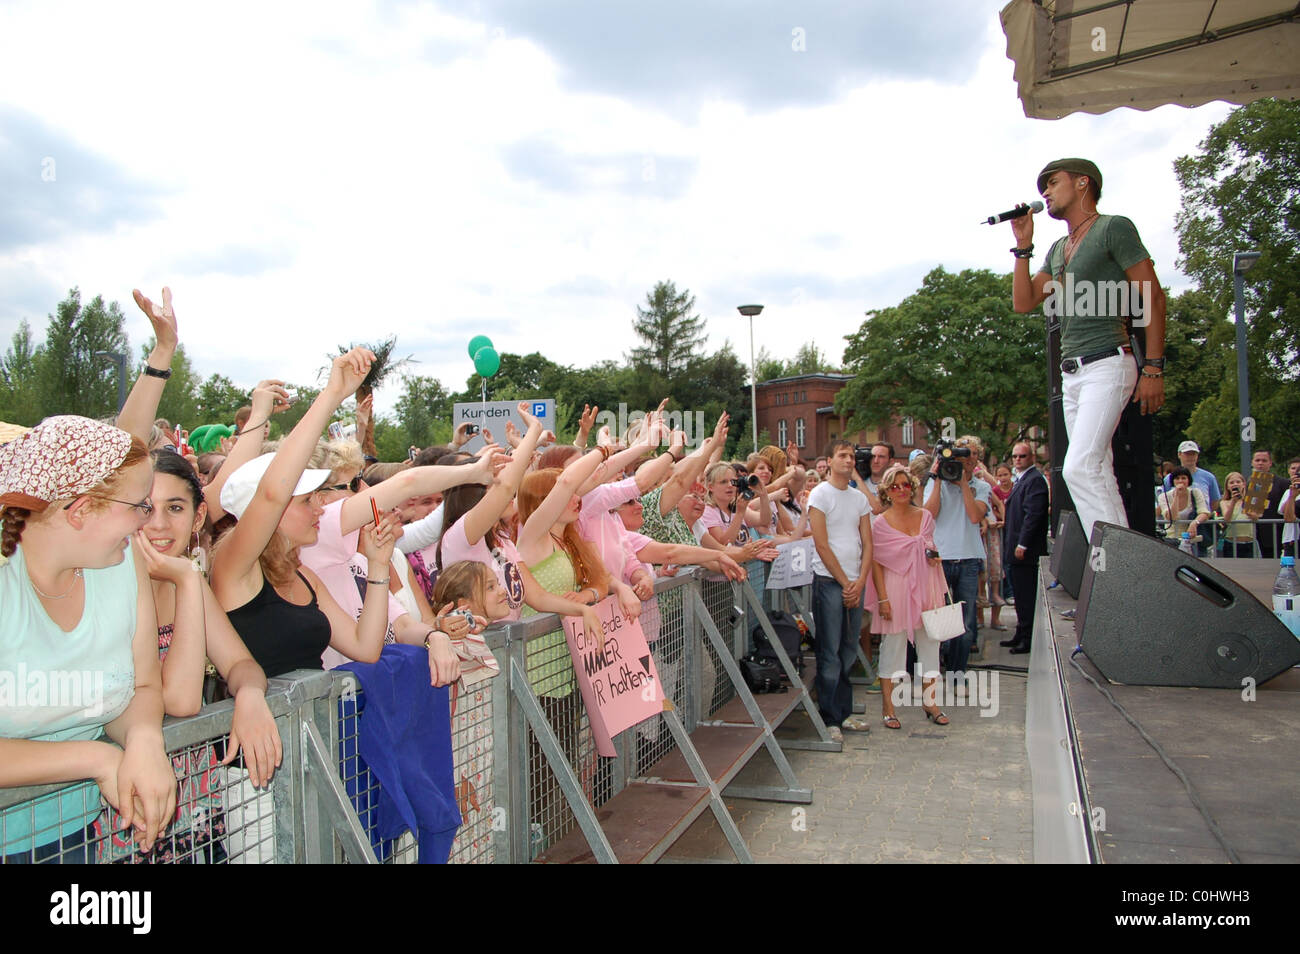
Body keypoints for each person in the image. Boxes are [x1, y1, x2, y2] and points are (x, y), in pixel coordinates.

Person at [1, 416, 176, 861]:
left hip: (67, 831)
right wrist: (96, 759)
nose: (146, 521)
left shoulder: (120, 565)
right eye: (139, 505)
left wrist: (143, 741)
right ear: (80, 510)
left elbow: (141, 685)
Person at [95, 451, 281, 862]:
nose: (157, 524)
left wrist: (249, 695)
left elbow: (240, 663)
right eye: (145, 507)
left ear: (198, 519)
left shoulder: (189, 583)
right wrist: (186, 579)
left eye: (174, 508)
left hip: (192, 799)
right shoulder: (109, 589)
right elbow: (179, 700)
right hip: (127, 808)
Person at [1011, 158, 1167, 543]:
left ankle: (1121, 565)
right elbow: (1024, 300)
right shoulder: (1059, 247)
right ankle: (1115, 565)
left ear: (1083, 183)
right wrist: (1023, 247)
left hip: (1108, 363)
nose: (1045, 192)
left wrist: (1154, 368)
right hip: (1073, 374)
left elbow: (1154, 298)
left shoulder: (1114, 228)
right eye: (1043, 185)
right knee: (1094, 468)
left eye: (1053, 182)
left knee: (1080, 468)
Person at [866, 466, 949, 728]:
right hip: (895, 587)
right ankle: (888, 707)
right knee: (893, 646)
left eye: (905, 485)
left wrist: (934, 557)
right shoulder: (880, 523)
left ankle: (931, 702)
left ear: (912, 487)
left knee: (930, 645)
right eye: (894, 486)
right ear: (886, 492)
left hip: (927, 584)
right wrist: (882, 599)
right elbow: (876, 563)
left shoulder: (925, 517)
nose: (901, 490)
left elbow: (931, 550)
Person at [808, 440, 874, 741]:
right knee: (830, 651)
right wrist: (846, 582)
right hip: (829, 582)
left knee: (849, 650)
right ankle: (830, 717)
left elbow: (868, 543)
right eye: (842, 455)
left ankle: (844, 712)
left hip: (854, 583)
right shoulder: (820, 494)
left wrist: (860, 581)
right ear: (830, 460)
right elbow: (821, 544)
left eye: (852, 456)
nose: (848, 461)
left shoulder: (859, 498)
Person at [925, 436, 989, 671]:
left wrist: (963, 484)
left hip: (968, 559)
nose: (968, 459)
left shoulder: (981, 487)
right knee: (939, 620)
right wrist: (939, 480)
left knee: (965, 621)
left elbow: (975, 516)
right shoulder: (937, 483)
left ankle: (957, 671)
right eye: (963, 454)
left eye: (972, 454)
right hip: (941, 559)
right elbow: (928, 514)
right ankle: (939, 665)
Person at [1000, 442, 1049, 654]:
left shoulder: (1035, 480)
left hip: (1025, 551)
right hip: (1015, 547)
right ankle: (1021, 632)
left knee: (1026, 595)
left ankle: (1027, 638)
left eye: (1022, 456)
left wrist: (1022, 543)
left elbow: (1034, 515)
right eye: (1015, 456)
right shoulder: (1022, 479)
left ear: (1031, 458)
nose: (1018, 459)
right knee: (1020, 596)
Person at [1157, 466, 1211, 554]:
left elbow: (1204, 512)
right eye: (1177, 478)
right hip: (1172, 539)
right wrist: (1176, 497)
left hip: (1192, 539)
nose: (1180, 481)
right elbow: (1171, 517)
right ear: (1173, 481)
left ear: (1188, 480)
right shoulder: (1164, 496)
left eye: (1183, 478)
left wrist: (1194, 523)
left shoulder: (1196, 492)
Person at [1252, 449, 1292, 558]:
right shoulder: (1249, 482)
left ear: (1270, 463)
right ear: (1253, 462)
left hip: (1276, 532)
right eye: (1257, 460)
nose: (1260, 463)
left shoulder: (1283, 483)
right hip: (1254, 533)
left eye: (1264, 460)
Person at [1162, 440, 1221, 511]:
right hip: (1177, 520)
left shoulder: (1209, 477)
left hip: (1203, 519)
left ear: (1197, 455)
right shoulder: (1169, 478)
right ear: (1179, 455)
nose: (1190, 457)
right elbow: (1163, 502)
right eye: (1187, 454)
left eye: (1193, 454)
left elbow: (1215, 501)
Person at [1219, 472, 1257, 558]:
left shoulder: (1251, 500)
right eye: (1231, 482)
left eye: (1238, 482)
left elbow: (1255, 517)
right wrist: (1233, 501)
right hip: (1231, 543)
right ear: (1227, 487)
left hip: (1249, 542)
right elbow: (1227, 518)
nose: (1235, 484)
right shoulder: (1224, 502)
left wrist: (1243, 500)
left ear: (1243, 484)